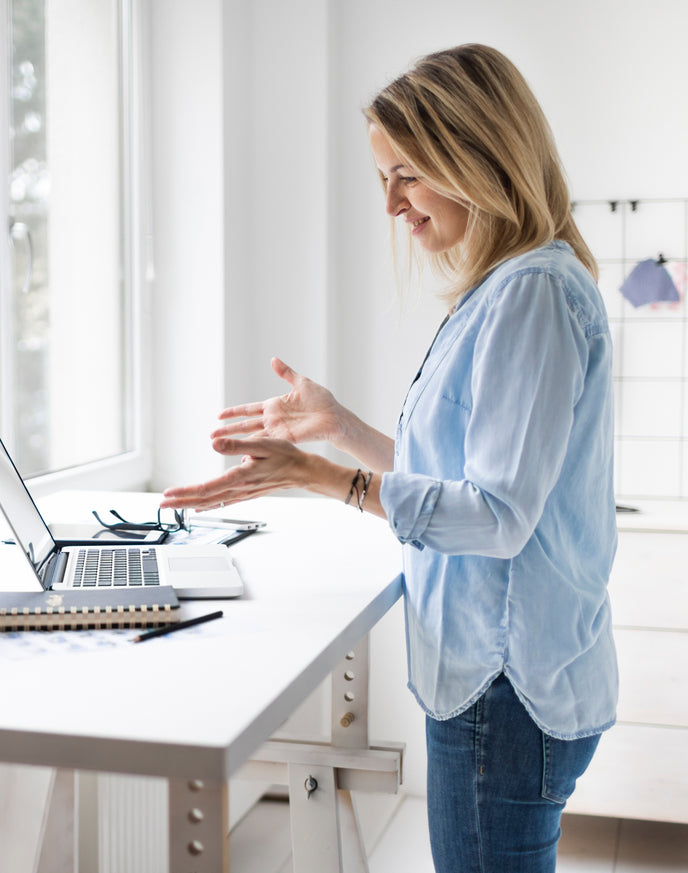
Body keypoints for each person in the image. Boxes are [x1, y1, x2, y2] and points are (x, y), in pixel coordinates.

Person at [162, 44, 618, 873]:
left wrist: (329, 481)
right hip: (506, 683)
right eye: (384, 178)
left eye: (405, 174)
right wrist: (339, 429)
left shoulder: (532, 293)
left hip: (506, 688)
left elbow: (498, 516)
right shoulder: (512, 287)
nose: (391, 204)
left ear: (474, 153)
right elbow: (462, 472)